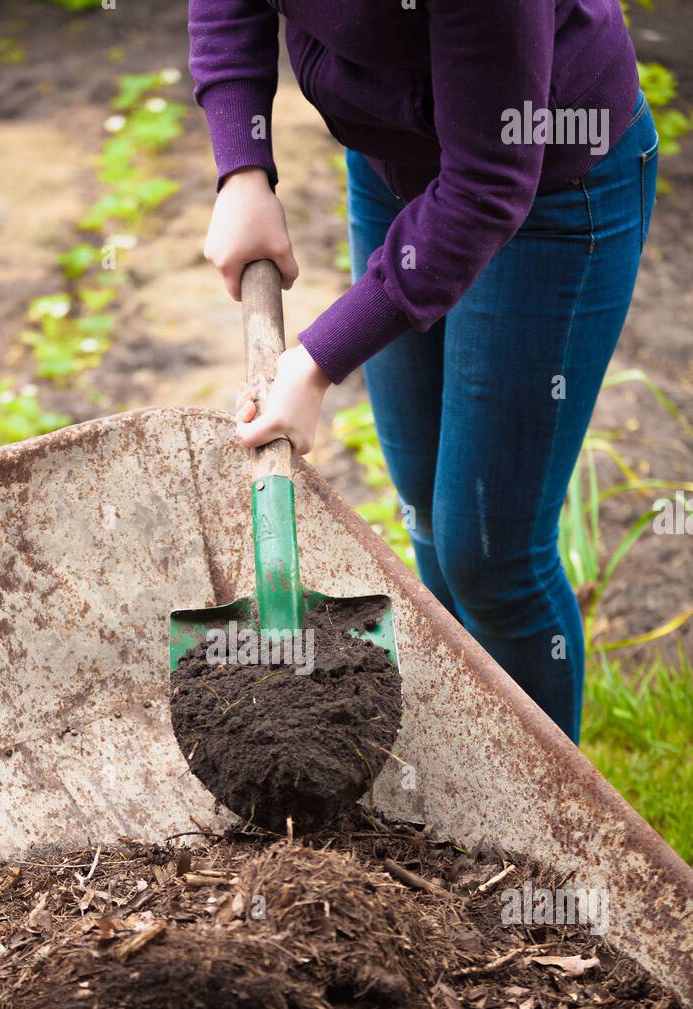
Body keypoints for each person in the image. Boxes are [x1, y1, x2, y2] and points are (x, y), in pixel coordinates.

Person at [187, 1, 658, 743]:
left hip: (546, 187)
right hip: (395, 166)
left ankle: (550, 816)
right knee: (429, 509)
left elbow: (489, 183)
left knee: (491, 554)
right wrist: (240, 168)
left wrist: (316, 360)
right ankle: (476, 761)